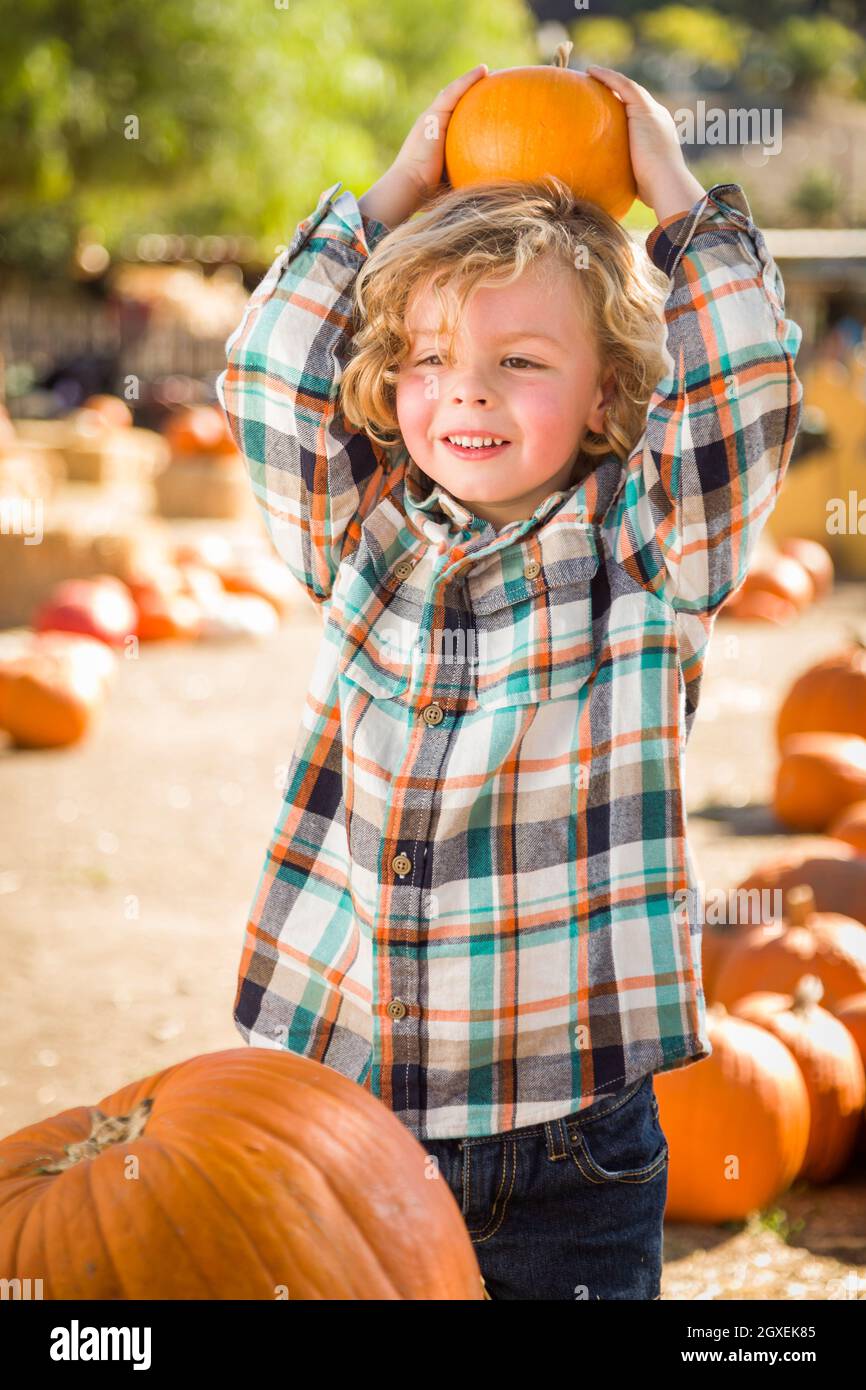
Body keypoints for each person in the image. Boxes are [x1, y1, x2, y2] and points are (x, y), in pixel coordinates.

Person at [216, 63, 804, 1300]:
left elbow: (743, 396)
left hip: (567, 1153)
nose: (465, 388)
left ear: (609, 395)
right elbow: (270, 378)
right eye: (427, 357)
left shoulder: (647, 554)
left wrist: (675, 198)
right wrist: (390, 196)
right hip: (347, 1120)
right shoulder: (359, 531)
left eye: (520, 360)